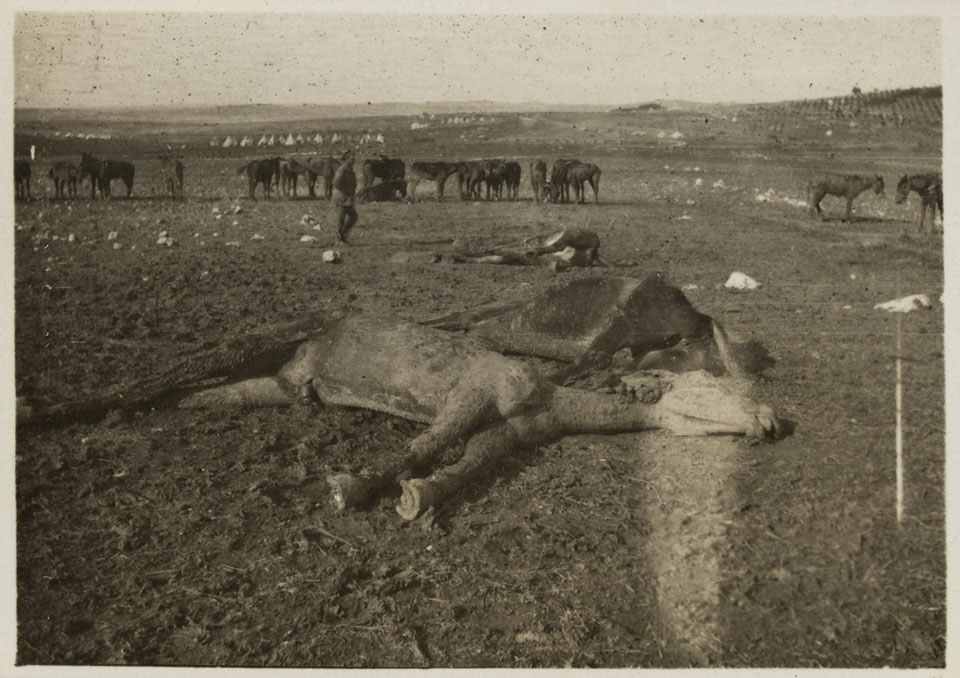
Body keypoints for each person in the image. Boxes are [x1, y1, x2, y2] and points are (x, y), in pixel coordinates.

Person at [332, 150, 358, 244]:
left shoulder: (349, 169)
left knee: (354, 217)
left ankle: (343, 235)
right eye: (352, 157)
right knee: (340, 219)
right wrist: (346, 191)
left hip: (347, 198)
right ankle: (338, 240)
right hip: (341, 198)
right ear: (347, 158)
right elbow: (336, 182)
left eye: (354, 156)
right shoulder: (342, 169)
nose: (354, 158)